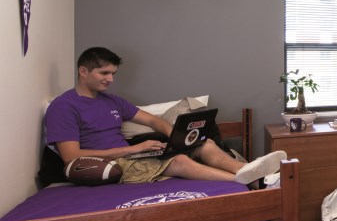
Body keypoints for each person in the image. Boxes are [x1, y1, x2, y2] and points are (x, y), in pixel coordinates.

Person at [45, 47, 286, 185]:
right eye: (104, 73)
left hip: (132, 154)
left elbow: (151, 120)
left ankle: (248, 171)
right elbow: (71, 156)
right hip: (110, 164)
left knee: (204, 143)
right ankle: (245, 180)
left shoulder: (112, 100)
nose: (110, 79)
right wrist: (133, 149)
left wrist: (177, 137)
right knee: (179, 162)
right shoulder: (63, 106)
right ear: (83, 71)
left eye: (113, 73)